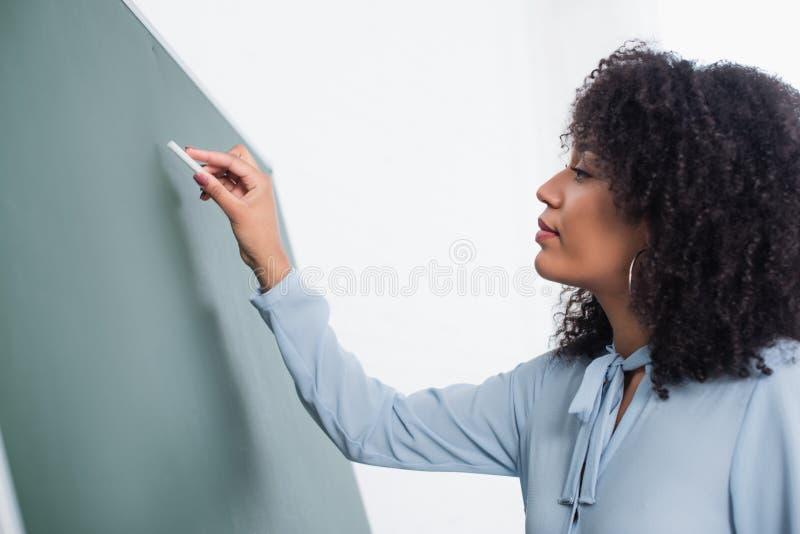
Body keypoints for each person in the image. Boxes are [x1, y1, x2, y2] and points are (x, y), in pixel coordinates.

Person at [184, 39, 800, 534]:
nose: (549, 189)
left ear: (668, 214)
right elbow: (371, 425)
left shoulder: (774, 395)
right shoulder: (554, 390)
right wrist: (268, 255)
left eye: (584, 172)